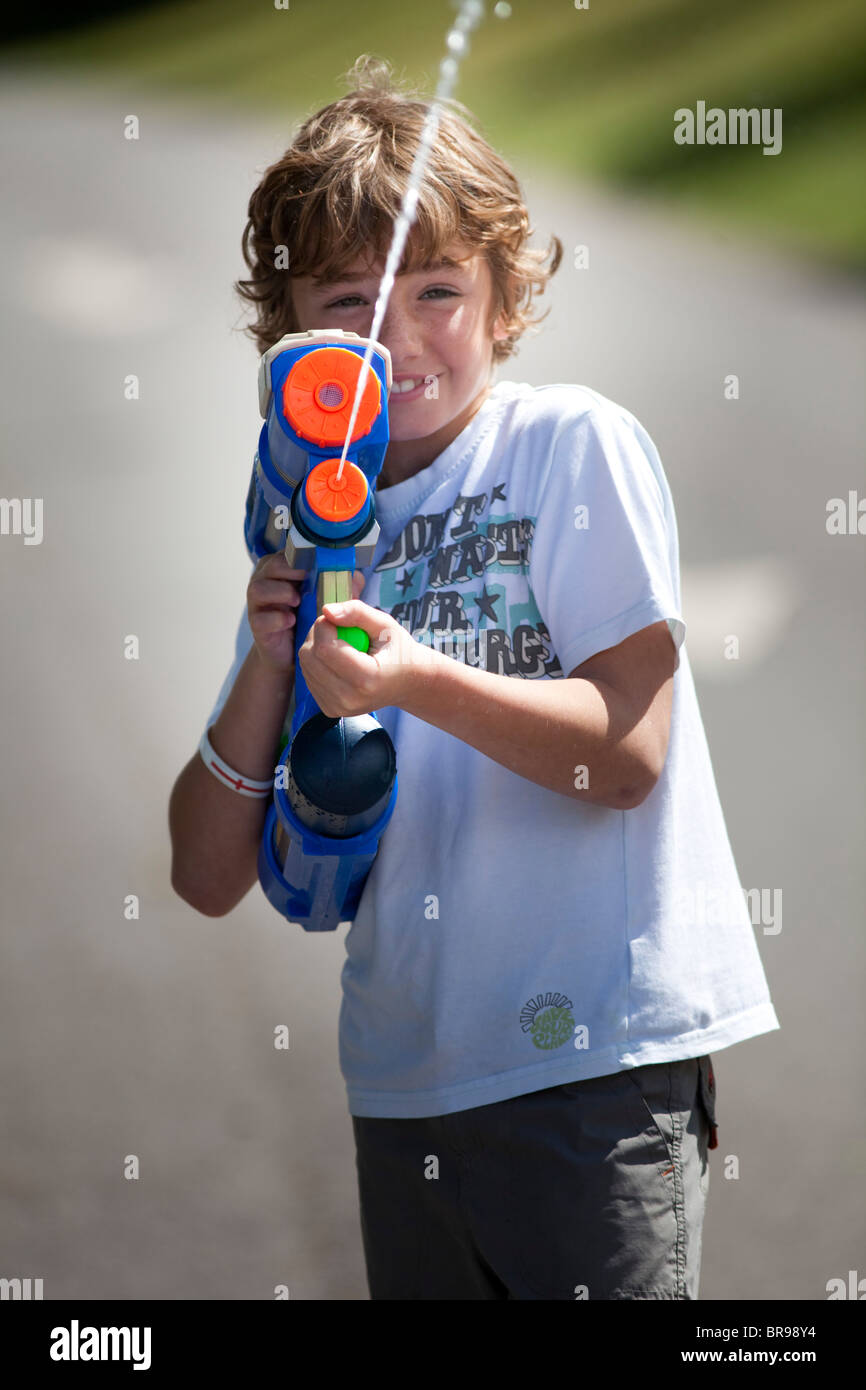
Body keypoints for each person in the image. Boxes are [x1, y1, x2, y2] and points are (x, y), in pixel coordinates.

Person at [168, 55, 779, 1300]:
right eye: (344, 303)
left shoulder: (568, 448)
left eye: (437, 290)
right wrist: (264, 670)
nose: (394, 340)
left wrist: (414, 682)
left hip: (591, 1072)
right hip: (405, 1087)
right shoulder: (314, 528)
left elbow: (626, 753)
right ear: (284, 332)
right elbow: (201, 872)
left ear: (506, 301)